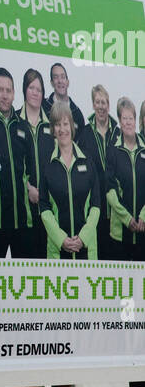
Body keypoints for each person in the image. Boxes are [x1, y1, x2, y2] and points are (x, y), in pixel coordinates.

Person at [39, 99, 101, 260]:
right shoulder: (47, 164)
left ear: (72, 126)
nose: (62, 129)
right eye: (57, 125)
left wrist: (82, 239)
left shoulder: (88, 160)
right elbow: (44, 207)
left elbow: (96, 205)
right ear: (53, 129)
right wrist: (61, 240)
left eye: (65, 124)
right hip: (58, 252)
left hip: (86, 251)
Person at [0, 67, 30, 258]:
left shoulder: (22, 124)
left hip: (21, 218)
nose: (4, 95)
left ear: (14, 93)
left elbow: (28, 166)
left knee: (24, 279)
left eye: (8, 90)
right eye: (0, 90)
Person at [19, 68, 53, 259]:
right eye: (31, 87)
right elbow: (12, 165)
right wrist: (27, 187)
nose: (35, 92)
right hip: (25, 208)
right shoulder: (16, 121)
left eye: (39, 89)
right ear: (25, 90)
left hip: (49, 207)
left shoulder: (51, 124)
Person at [105, 96, 145, 261]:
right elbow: (110, 191)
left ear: (136, 121)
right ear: (120, 122)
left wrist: (144, 215)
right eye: (124, 118)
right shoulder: (112, 150)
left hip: (143, 230)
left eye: (131, 118)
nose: (128, 122)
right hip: (120, 233)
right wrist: (127, 218)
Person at [86, 84, 118, 262]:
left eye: (104, 102)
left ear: (109, 104)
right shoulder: (84, 135)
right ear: (92, 105)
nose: (100, 106)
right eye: (97, 102)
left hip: (116, 213)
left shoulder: (119, 134)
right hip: (94, 209)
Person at [42, 62, 85, 136]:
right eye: (56, 77)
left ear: (67, 82)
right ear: (51, 83)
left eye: (63, 77)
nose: (60, 81)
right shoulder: (43, 107)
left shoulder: (77, 114)